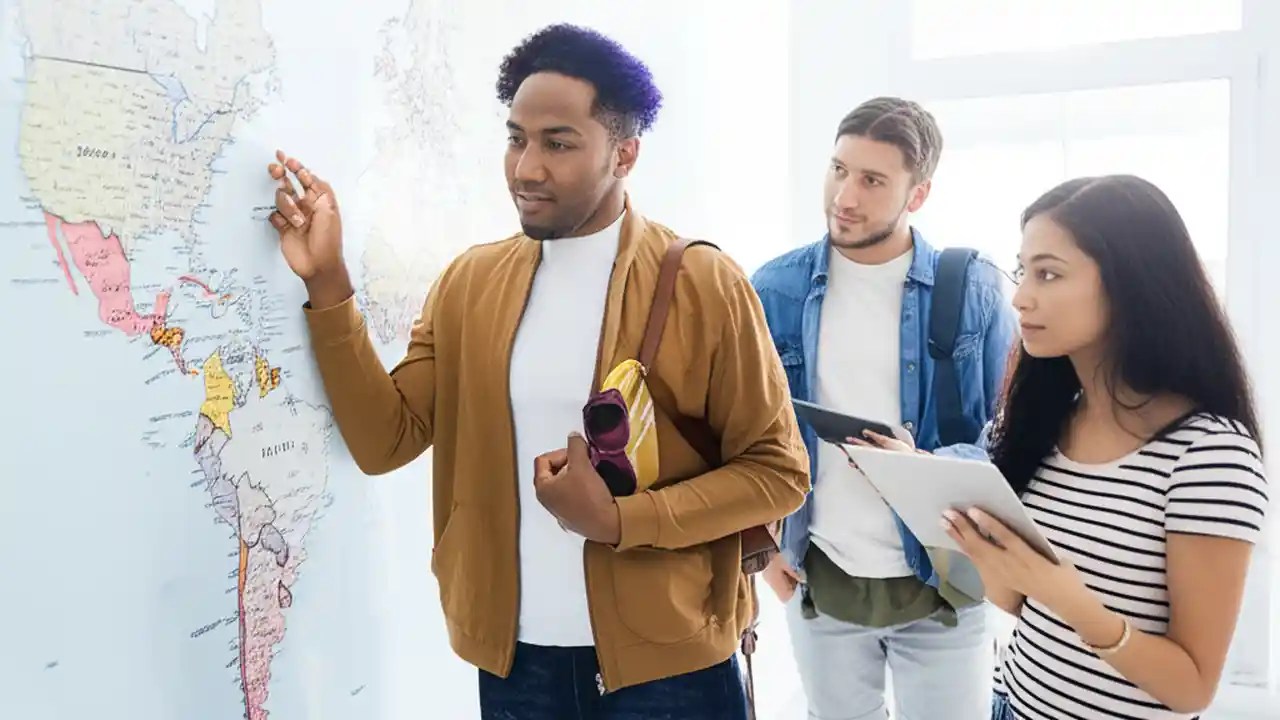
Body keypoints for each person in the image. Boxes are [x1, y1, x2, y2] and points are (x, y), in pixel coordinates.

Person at [263, 23, 809, 720]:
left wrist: (618, 520)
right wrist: (330, 283)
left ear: (625, 153)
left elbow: (778, 472)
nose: (526, 167)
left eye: (558, 143)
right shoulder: (470, 282)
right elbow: (385, 440)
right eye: (517, 138)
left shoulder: (704, 281)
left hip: (672, 664)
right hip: (517, 661)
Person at [928, 174, 1268, 719]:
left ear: (1129, 283)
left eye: (1048, 273)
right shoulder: (1038, 424)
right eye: (1023, 271)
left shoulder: (1208, 455)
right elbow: (1017, 602)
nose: (1020, 296)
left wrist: (1064, 593)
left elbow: (1191, 688)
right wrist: (967, 540)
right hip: (1011, 704)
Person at [750, 96, 1019, 719]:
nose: (845, 195)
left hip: (944, 580)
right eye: (839, 169)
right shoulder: (773, 288)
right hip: (823, 576)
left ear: (916, 194)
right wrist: (758, 547)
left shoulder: (973, 287)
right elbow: (745, 431)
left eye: (872, 180)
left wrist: (922, 467)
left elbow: (1011, 433)